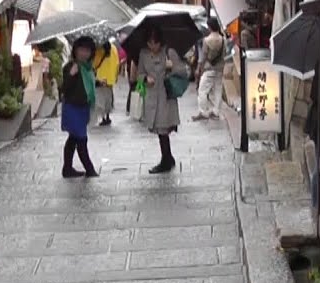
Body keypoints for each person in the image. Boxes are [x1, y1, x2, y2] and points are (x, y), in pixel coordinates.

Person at [131, 30, 185, 173]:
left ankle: (166, 159)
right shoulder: (143, 54)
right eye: (149, 43)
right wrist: (145, 78)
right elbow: (139, 74)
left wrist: (171, 68)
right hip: (151, 95)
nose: (152, 46)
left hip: (166, 95)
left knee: (163, 128)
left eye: (155, 43)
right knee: (160, 129)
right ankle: (168, 157)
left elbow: (183, 72)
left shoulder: (169, 52)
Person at [59, 36, 99, 178]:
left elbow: (89, 87)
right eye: (81, 49)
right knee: (81, 139)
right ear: (75, 50)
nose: (84, 53)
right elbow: (64, 89)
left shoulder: (88, 68)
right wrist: (71, 75)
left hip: (83, 108)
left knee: (73, 139)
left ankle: (67, 169)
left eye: (87, 50)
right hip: (72, 108)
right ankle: (90, 169)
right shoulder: (71, 67)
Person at [193, 17, 225, 121]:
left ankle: (203, 111)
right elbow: (224, 54)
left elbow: (203, 57)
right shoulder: (223, 39)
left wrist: (198, 69)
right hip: (220, 68)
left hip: (209, 68)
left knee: (202, 90)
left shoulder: (206, 40)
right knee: (218, 89)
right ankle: (216, 111)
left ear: (209, 27)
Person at [93, 41, 119, 127]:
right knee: (108, 97)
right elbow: (117, 63)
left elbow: (95, 63)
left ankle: (103, 117)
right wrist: (115, 76)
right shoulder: (114, 48)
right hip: (110, 78)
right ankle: (107, 116)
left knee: (100, 98)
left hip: (100, 77)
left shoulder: (99, 49)